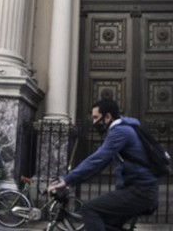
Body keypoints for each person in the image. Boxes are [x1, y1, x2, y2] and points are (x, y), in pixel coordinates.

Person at [48, 99, 158, 231]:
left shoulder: (120, 132)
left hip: (140, 191)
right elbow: (100, 165)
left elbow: (97, 159)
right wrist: (71, 182)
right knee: (106, 224)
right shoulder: (122, 129)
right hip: (137, 190)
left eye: (96, 117)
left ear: (107, 117)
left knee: (89, 210)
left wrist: (66, 180)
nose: (93, 122)